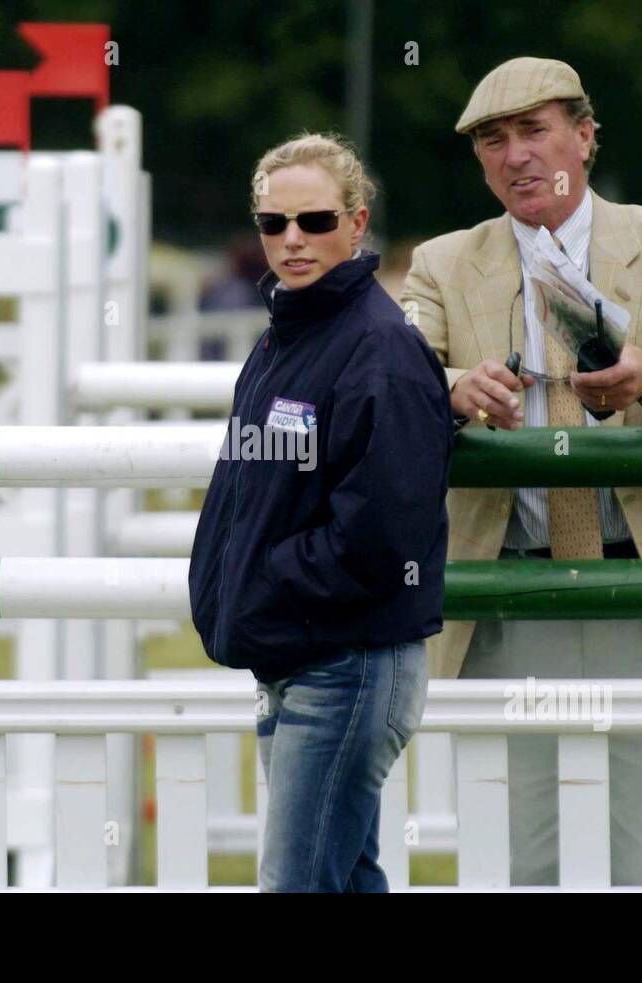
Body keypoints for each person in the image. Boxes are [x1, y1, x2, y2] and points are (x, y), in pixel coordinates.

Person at [401, 56, 642, 886]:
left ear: (584, 135)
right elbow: (382, 390)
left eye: (535, 130)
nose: (516, 156)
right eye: (493, 141)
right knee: (518, 868)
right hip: (504, 600)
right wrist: (450, 390)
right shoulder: (439, 262)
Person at [188, 133, 454, 892]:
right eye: (274, 224)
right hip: (305, 656)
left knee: (296, 883)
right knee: (345, 878)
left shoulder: (379, 348)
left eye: (314, 220)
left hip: (346, 665)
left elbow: (381, 533)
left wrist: (262, 582)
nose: (293, 240)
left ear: (357, 223)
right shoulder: (288, 333)